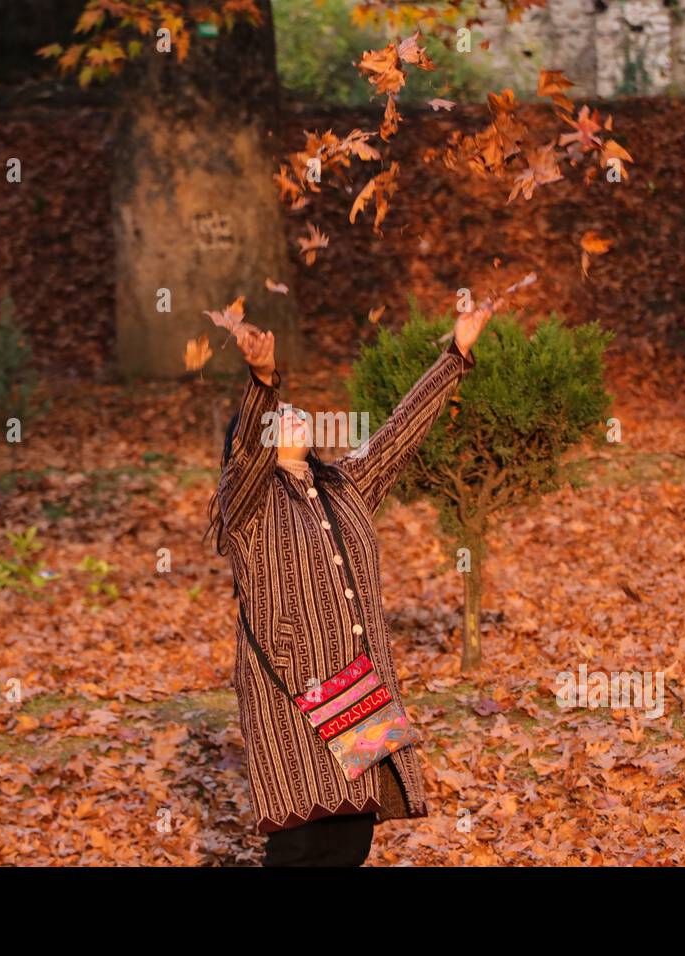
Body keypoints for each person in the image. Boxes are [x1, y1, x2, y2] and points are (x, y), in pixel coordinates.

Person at [205, 307, 492, 865]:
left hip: (359, 690)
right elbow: (244, 461)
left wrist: (454, 356)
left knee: (351, 843)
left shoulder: (344, 486)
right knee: (299, 844)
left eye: (290, 410)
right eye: (275, 415)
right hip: (290, 697)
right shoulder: (249, 504)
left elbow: (400, 433)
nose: (290, 415)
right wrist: (263, 381)